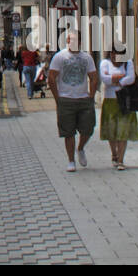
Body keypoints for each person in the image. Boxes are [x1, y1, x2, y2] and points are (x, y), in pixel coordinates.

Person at [48, 31, 99, 172]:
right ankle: (71, 161)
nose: (73, 42)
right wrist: (58, 98)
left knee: (88, 129)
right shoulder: (59, 57)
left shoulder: (87, 58)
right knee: (68, 132)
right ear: (67, 41)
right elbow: (51, 78)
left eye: (76, 40)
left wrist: (91, 96)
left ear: (81, 41)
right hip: (66, 99)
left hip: (84, 99)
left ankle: (80, 148)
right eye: (71, 39)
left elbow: (94, 77)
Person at [99, 44, 138, 170]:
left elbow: (131, 78)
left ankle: (121, 160)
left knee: (123, 131)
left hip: (125, 100)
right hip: (109, 101)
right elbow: (105, 79)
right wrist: (122, 77)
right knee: (111, 131)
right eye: (112, 52)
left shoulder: (128, 63)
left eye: (117, 53)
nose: (114, 55)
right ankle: (114, 154)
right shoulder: (105, 63)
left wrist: (116, 81)